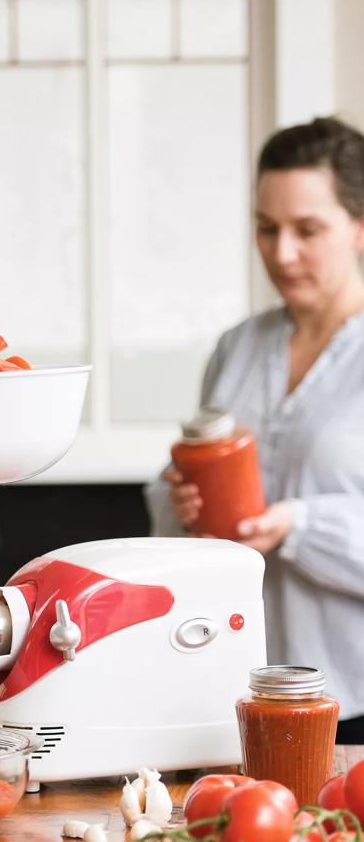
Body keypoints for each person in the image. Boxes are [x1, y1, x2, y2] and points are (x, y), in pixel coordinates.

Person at [145, 115, 364, 744]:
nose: (282, 252)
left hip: (349, 697)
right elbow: (173, 509)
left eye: (307, 230)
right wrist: (179, 502)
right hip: (234, 692)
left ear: (358, 226)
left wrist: (298, 527)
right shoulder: (237, 348)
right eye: (266, 229)